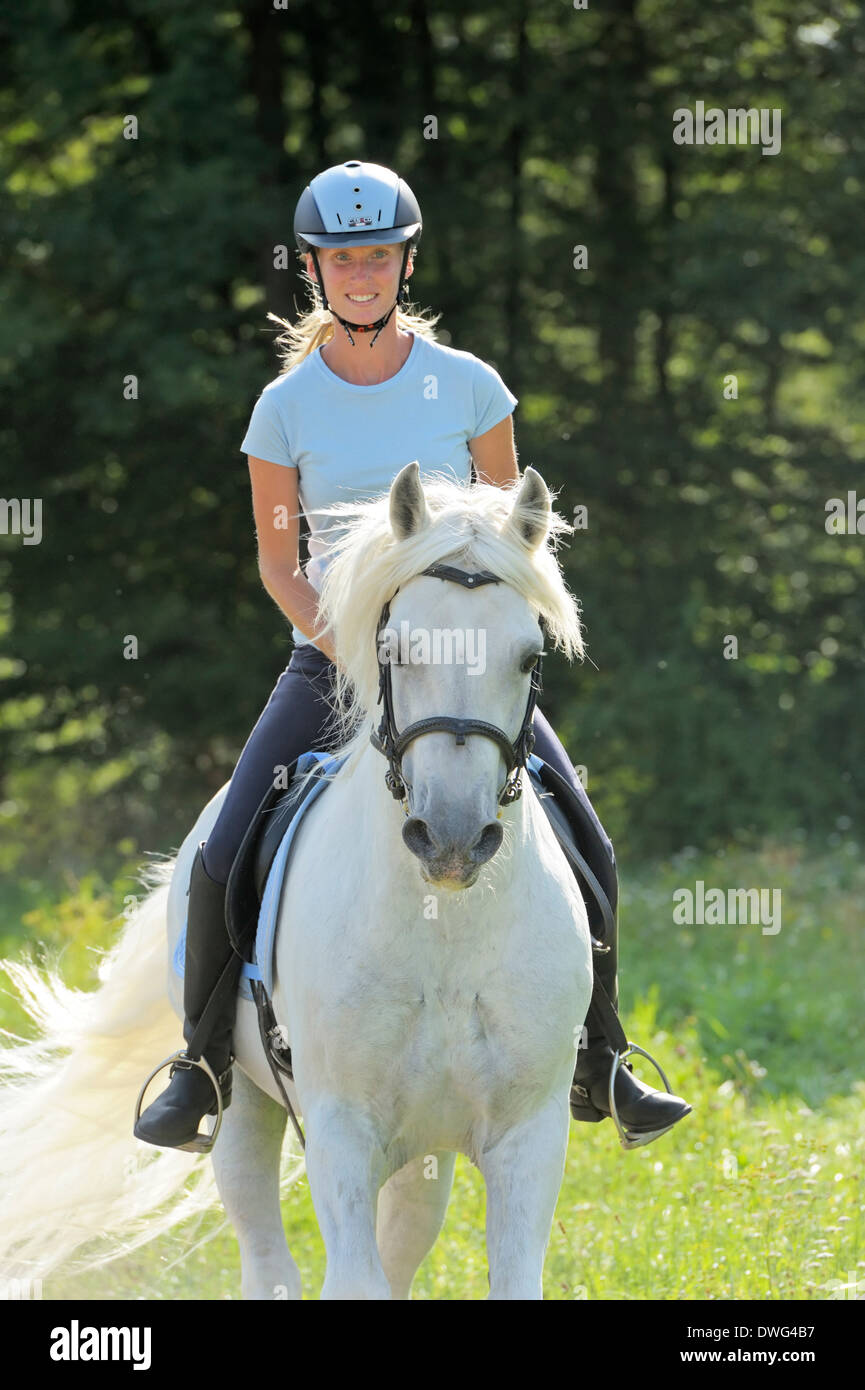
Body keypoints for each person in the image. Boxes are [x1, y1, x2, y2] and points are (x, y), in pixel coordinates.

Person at [134, 160, 691, 1153]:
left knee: (591, 843)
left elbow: (516, 541)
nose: (361, 275)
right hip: (332, 664)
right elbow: (276, 560)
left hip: (465, 672)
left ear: (404, 263)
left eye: (377, 257)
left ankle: (599, 1056)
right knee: (223, 852)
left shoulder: (471, 387)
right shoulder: (284, 408)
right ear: (314, 269)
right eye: (343, 259)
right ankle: (203, 1064)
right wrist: (353, 650)